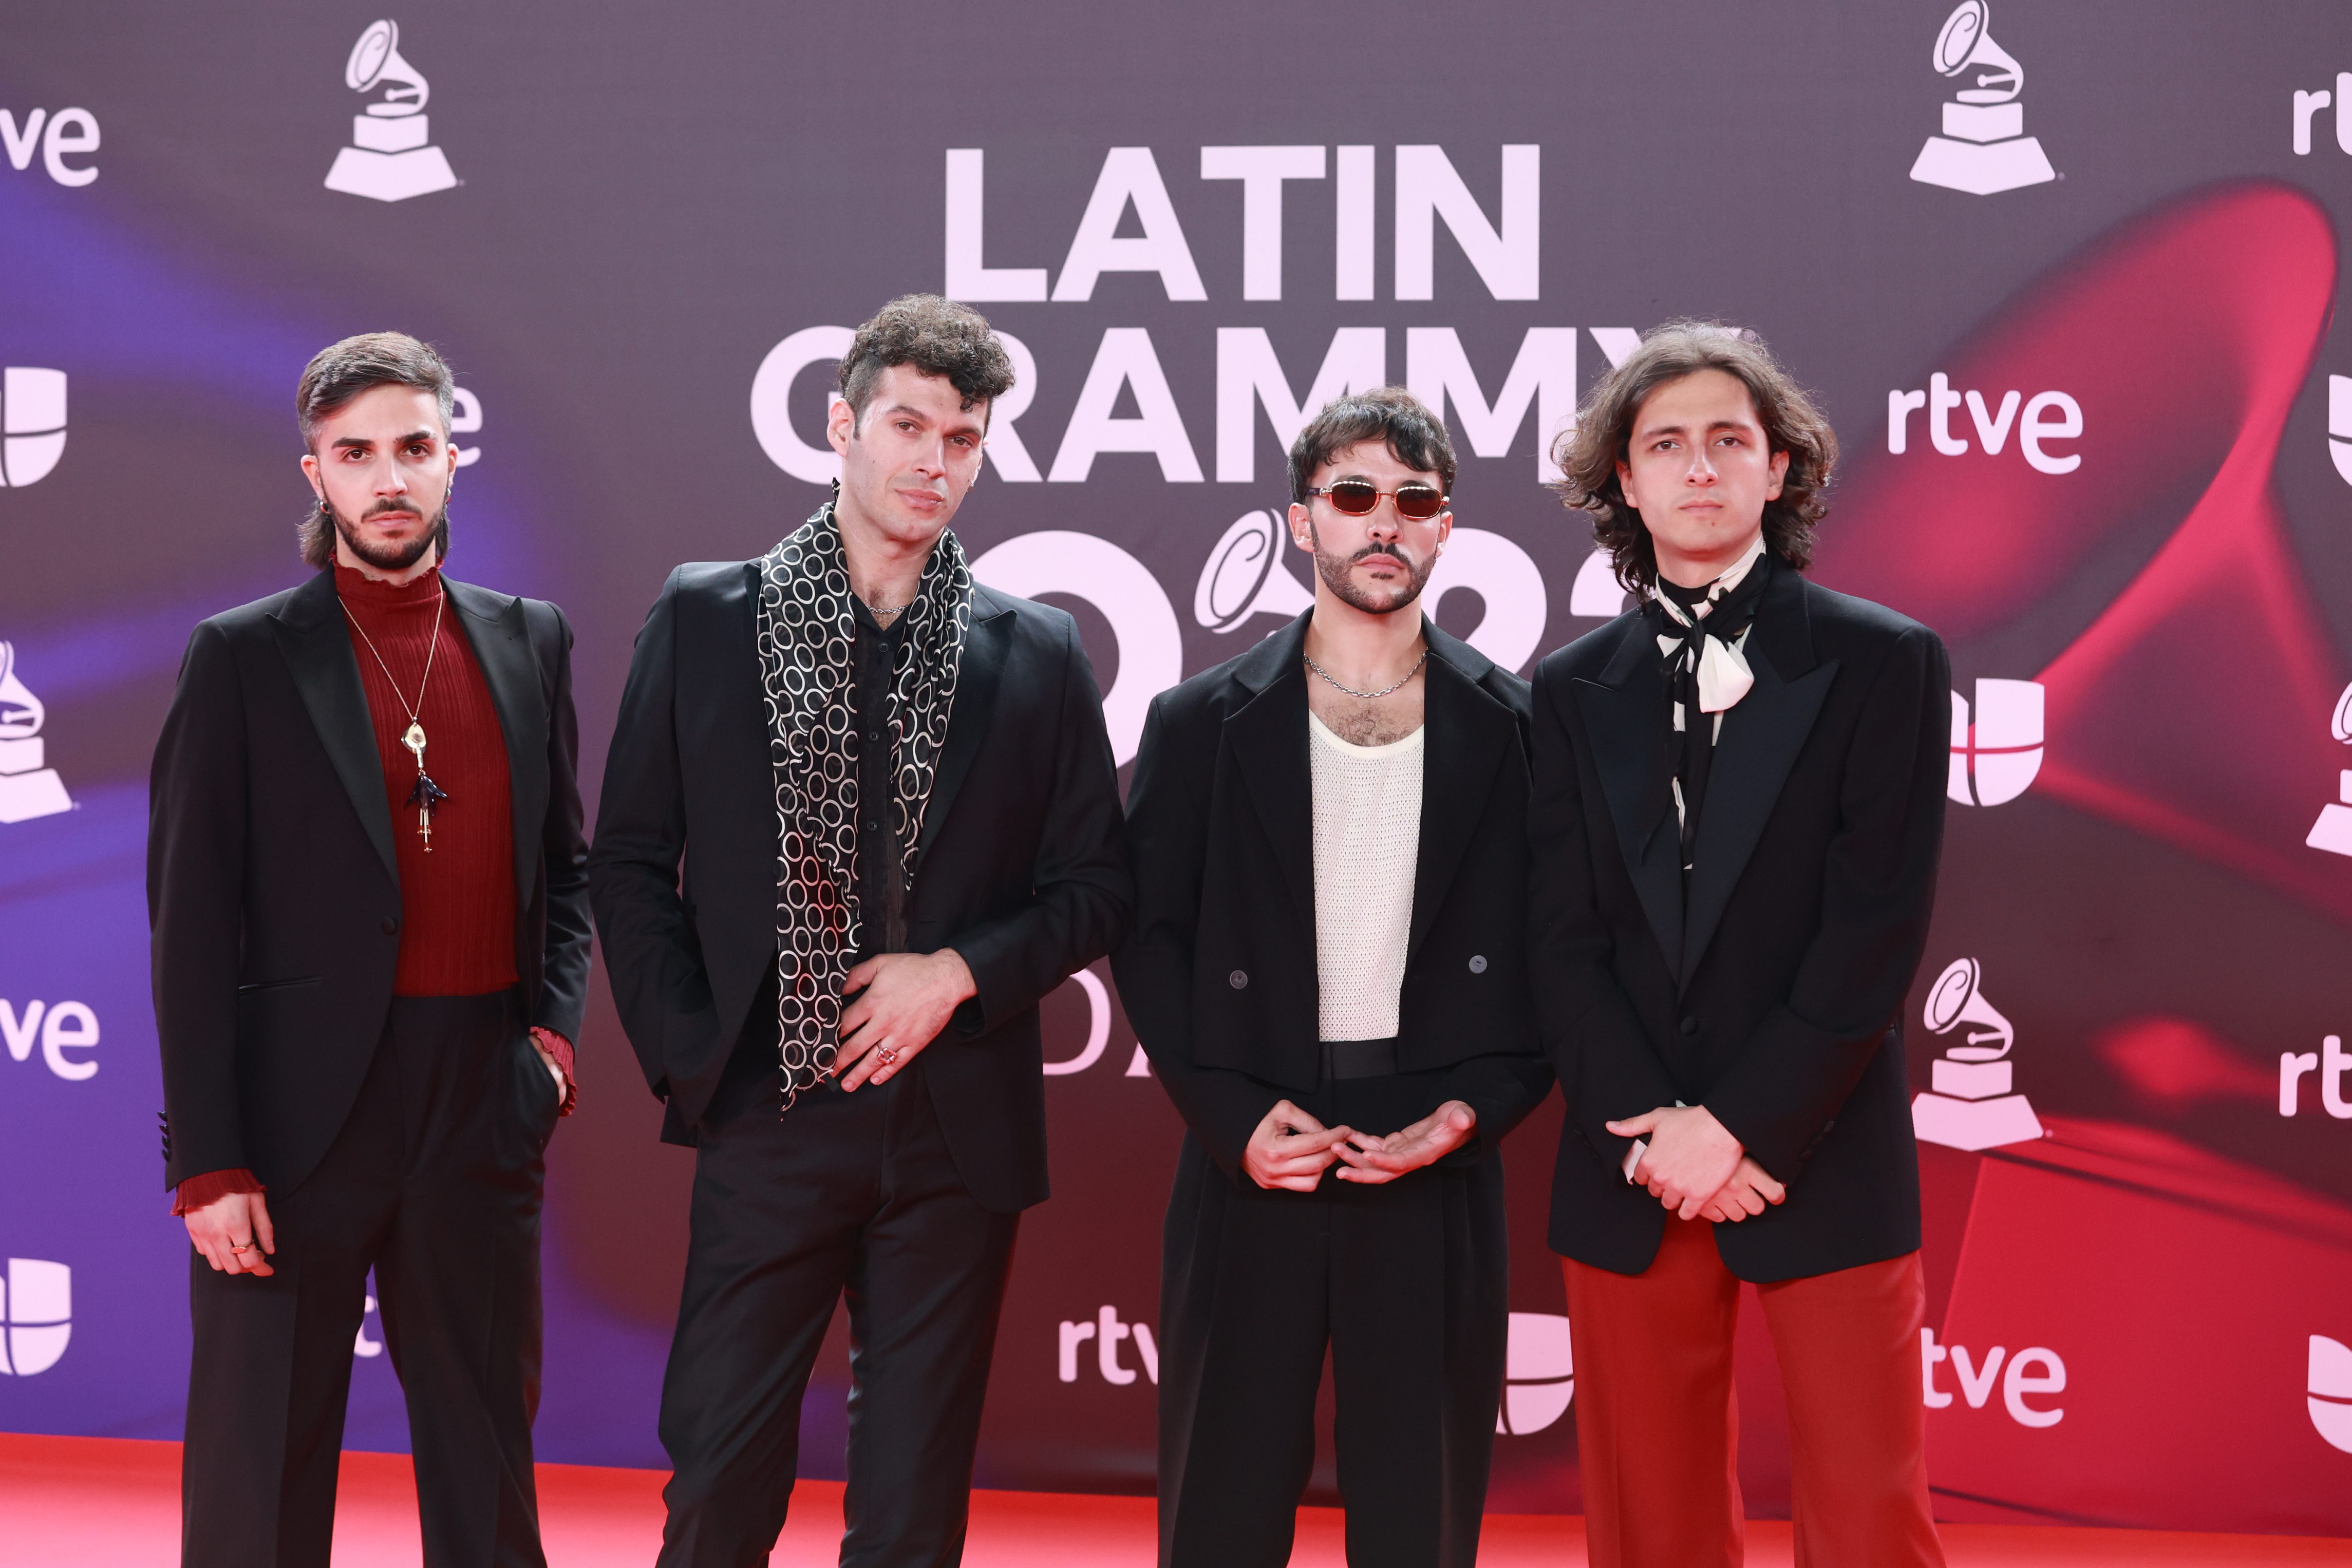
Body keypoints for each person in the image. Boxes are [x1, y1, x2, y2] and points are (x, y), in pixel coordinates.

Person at [589, 293, 1131, 1568]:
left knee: (908, 1509)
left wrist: (955, 975)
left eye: (963, 436)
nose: (933, 459)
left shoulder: (1036, 649)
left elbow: (1098, 884)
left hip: (952, 1132)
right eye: (907, 424)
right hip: (769, 1109)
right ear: (840, 426)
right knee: (717, 1479)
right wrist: (697, 1052)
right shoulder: (709, 616)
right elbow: (624, 861)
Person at [150, 331, 591, 1568]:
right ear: (315, 474)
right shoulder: (240, 656)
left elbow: (568, 872)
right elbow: (189, 925)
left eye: (413, 448)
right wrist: (209, 1159)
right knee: (259, 1474)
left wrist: (547, 1046)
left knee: (485, 1460)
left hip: (480, 1099)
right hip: (293, 1124)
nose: (388, 478)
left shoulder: (531, 638)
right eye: (357, 455)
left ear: (454, 459)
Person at [1529, 322, 1950, 1567]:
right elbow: (1558, 939)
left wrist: (1742, 1128)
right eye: (1665, 443)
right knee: (1648, 1527)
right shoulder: (1567, 687)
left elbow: (1874, 930)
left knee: (1869, 1517)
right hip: (1631, 1157)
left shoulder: (1883, 660)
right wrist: (1657, 1125)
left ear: (1779, 471)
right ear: (1624, 481)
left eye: (1729, 440)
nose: (1698, 466)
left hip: (1813, 1142)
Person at [1115, 388, 1551, 1568]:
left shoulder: (1516, 726)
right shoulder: (1201, 720)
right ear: (1301, 522)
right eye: (1354, 496)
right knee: (1220, 1505)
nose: (1384, 524)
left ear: (1446, 527)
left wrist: (1470, 1113)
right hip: (1256, 1137)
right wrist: (1227, 1119)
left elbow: (1555, 952)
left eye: (1414, 502)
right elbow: (1147, 936)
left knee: (1421, 1514)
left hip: (1431, 1149)